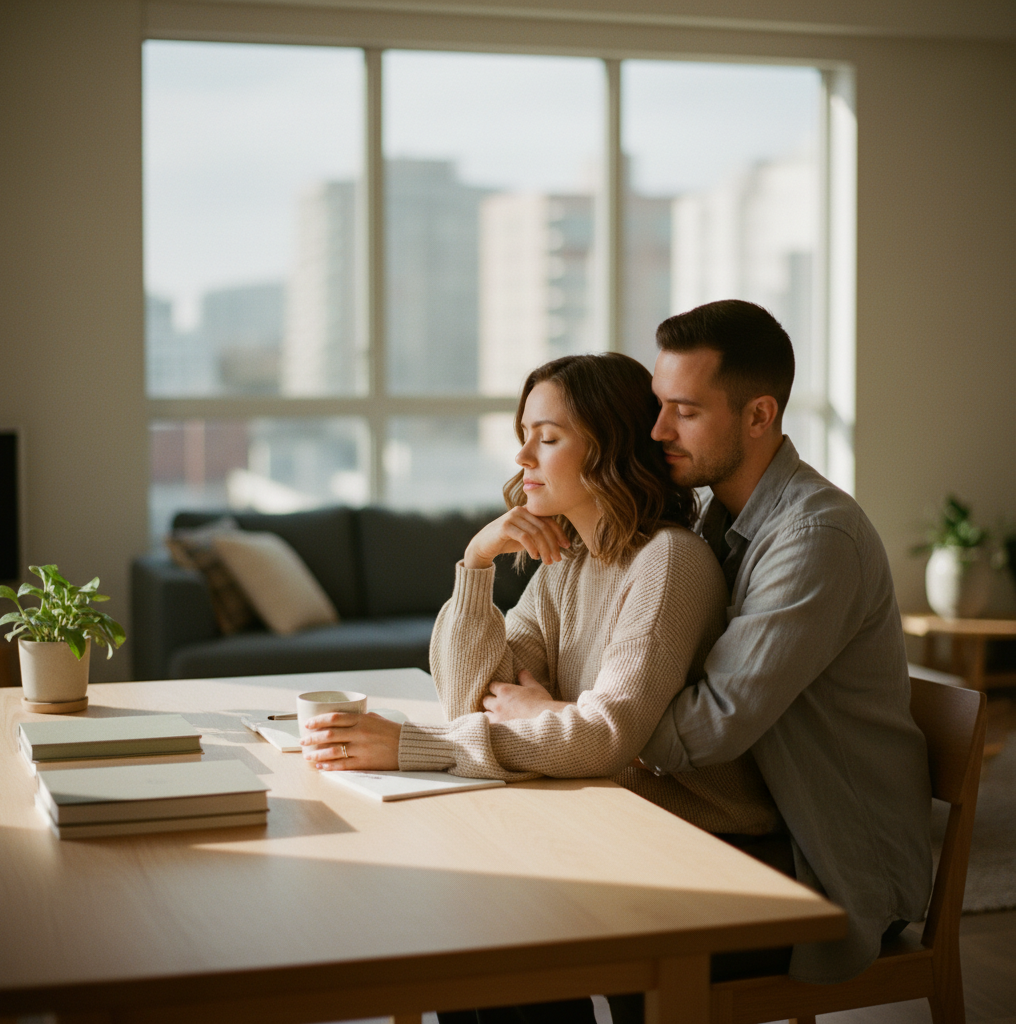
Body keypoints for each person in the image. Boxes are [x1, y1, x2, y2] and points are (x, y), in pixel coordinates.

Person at [490, 300, 934, 992]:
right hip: (728, 826)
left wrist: (577, 723)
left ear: (759, 416)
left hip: (822, 859)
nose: (657, 429)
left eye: (685, 412)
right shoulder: (706, 522)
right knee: (507, 906)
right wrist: (585, 720)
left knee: (554, 923)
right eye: (659, 406)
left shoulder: (813, 539)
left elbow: (710, 727)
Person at [301, 352, 777, 841]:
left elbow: (603, 738)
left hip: (704, 839)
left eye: (547, 438)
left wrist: (414, 745)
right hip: (605, 813)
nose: (523, 456)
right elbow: (471, 701)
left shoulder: (669, 561)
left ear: (609, 450)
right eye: (524, 436)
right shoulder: (570, 563)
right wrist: (476, 562)